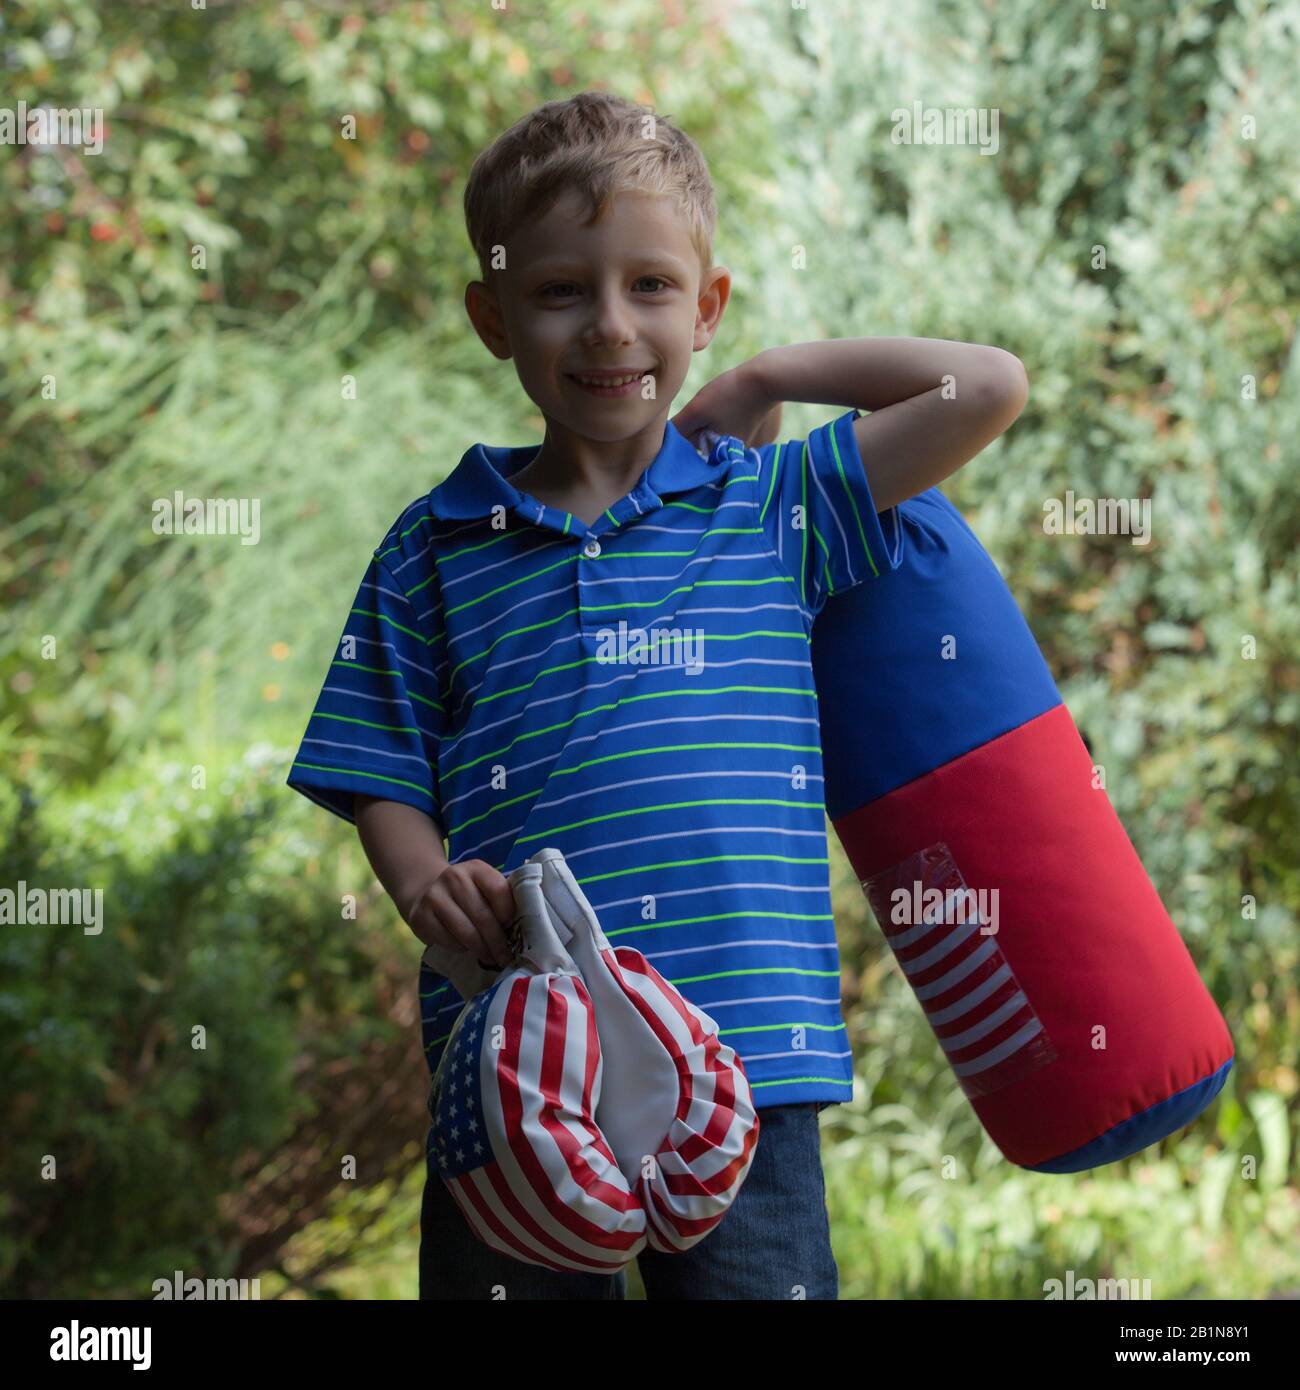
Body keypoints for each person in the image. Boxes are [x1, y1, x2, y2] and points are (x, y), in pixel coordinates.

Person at [286, 90, 1029, 1300]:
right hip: (516, 1066)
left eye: (651, 288)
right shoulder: (436, 544)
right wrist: (424, 880)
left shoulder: (770, 507)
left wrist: (768, 374)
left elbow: (986, 385)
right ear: (492, 316)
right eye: (561, 290)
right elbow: (380, 765)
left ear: (707, 304)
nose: (609, 329)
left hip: (743, 1058)